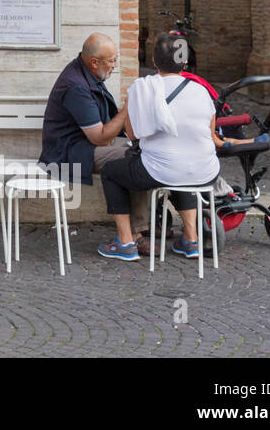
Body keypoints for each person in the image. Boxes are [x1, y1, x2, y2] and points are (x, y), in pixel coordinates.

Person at [97, 33, 223, 261]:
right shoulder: (202, 91)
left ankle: (125, 242)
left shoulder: (142, 89)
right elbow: (210, 133)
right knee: (181, 171)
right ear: (184, 63)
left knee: (111, 172)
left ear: (154, 62)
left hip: (160, 170)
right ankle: (191, 240)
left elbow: (133, 135)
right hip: (206, 171)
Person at [38, 32, 151, 249]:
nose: (115, 65)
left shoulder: (88, 75)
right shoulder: (76, 87)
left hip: (85, 145)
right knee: (134, 158)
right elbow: (99, 137)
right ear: (93, 62)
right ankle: (133, 236)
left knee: (143, 150)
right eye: (111, 61)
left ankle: (139, 230)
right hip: (69, 154)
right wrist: (127, 109)